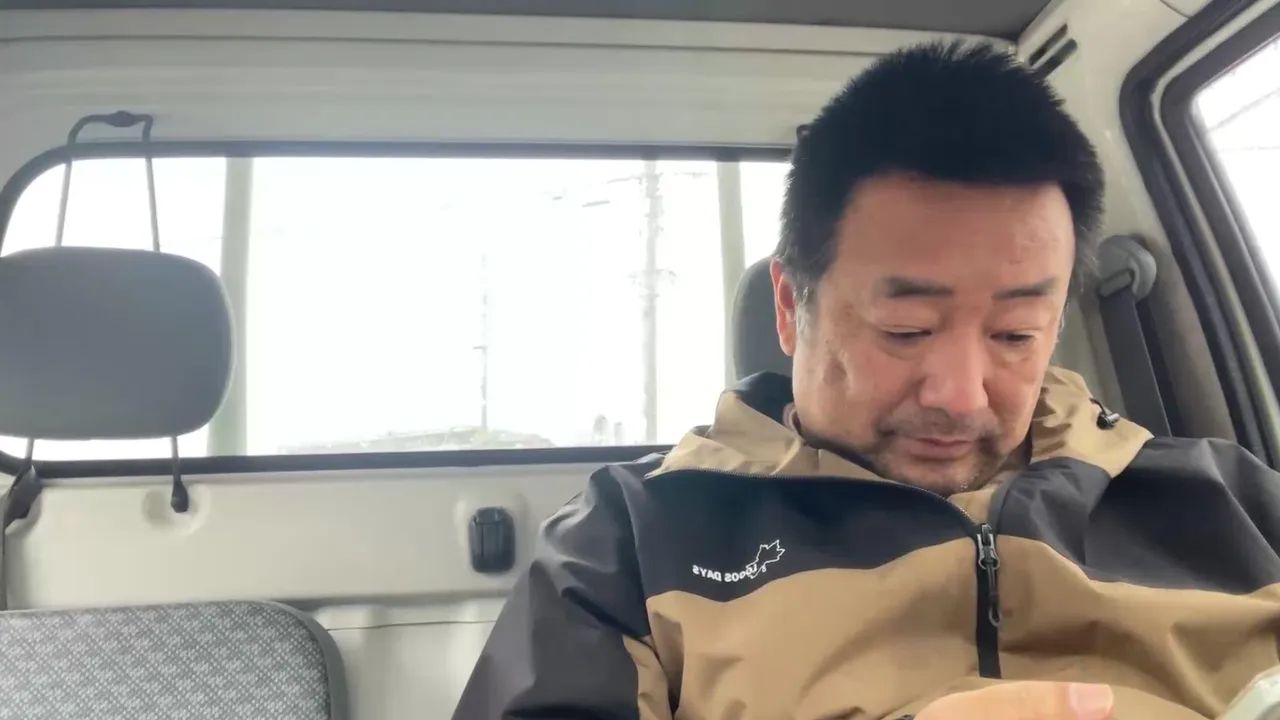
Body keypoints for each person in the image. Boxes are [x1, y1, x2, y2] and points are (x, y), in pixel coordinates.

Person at [451, 40, 1280, 720]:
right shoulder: (631, 540)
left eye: (1015, 335)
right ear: (790, 306)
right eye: (906, 331)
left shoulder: (1233, 502)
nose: (960, 394)